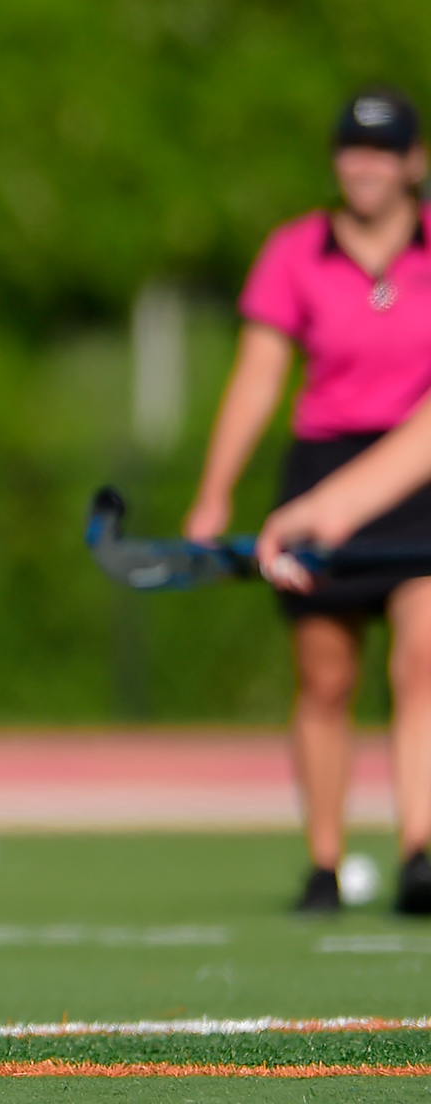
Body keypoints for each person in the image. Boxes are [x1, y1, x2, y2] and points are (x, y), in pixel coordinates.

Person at [183, 88, 431, 913]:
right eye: (353, 149)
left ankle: (419, 851)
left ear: (414, 162)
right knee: (325, 676)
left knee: (424, 657)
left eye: (385, 149)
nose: (367, 165)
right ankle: (324, 864)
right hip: (322, 469)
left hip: (417, 479)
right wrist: (214, 494)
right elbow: (258, 379)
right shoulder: (296, 252)